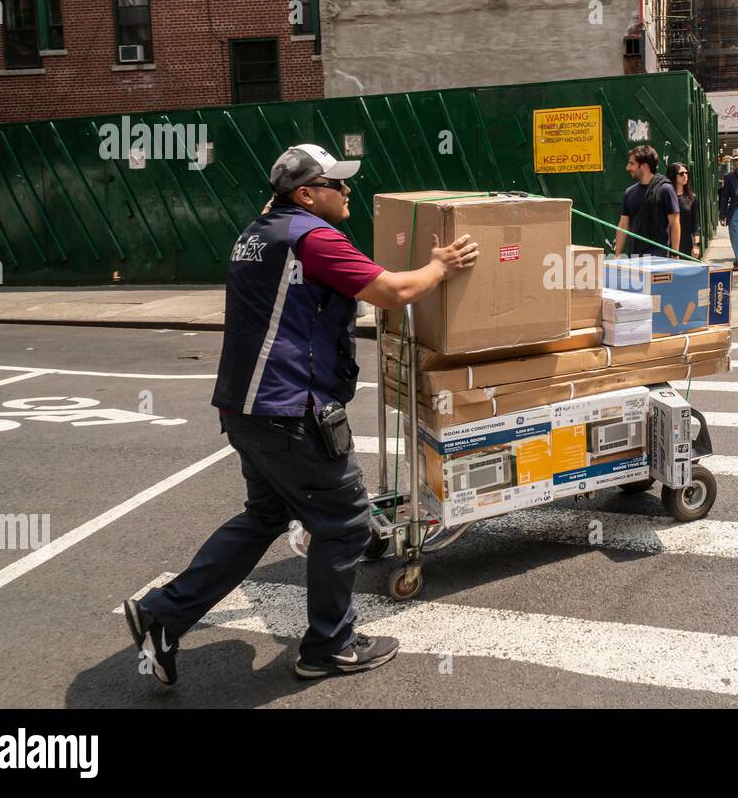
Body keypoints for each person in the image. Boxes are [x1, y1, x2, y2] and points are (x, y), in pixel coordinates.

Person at [123, 144, 479, 686]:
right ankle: (328, 647)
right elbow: (392, 291)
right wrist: (439, 265)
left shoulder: (256, 234)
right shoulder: (313, 238)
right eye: (337, 184)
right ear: (307, 194)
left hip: (245, 408)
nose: (348, 191)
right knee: (344, 523)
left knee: (264, 517)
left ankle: (163, 611)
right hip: (289, 412)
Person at [614, 145, 680, 257]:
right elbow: (623, 225)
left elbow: (675, 224)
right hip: (634, 257)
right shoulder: (629, 192)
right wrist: (617, 255)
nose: (627, 168)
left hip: (657, 258)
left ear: (644, 166)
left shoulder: (665, 189)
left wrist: (675, 254)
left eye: (632, 163)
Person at [667, 162, 700, 259]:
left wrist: (696, 245)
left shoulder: (692, 198)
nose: (685, 176)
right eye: (681, 174)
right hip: (668, 245)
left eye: (686, 173)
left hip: (687, 245)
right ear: (673, 176)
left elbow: (696, 225)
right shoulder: (666, 197)